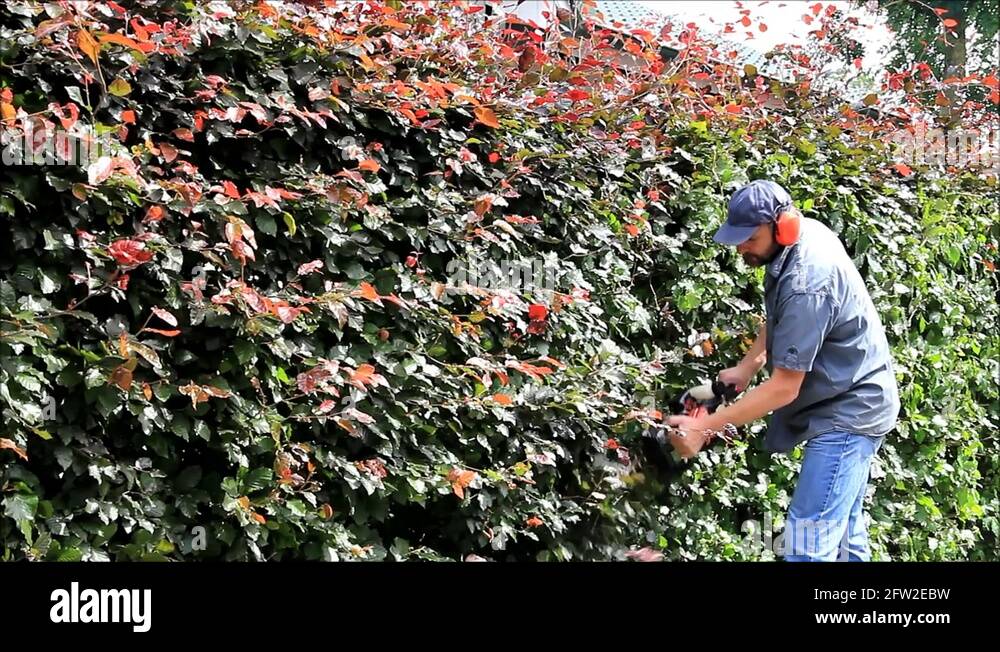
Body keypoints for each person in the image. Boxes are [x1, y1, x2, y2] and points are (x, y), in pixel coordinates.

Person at [666, 179, 901, 562]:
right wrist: (748, 365)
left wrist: (703, 426)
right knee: (842, 539)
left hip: (848, 411)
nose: (741, 247)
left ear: (783, 226)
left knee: (809, 545)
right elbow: (783, 314)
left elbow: (783, 389)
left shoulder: (809, 280)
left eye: (750, 238)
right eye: (737, 238)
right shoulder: (803, 240)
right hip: (853, 397)